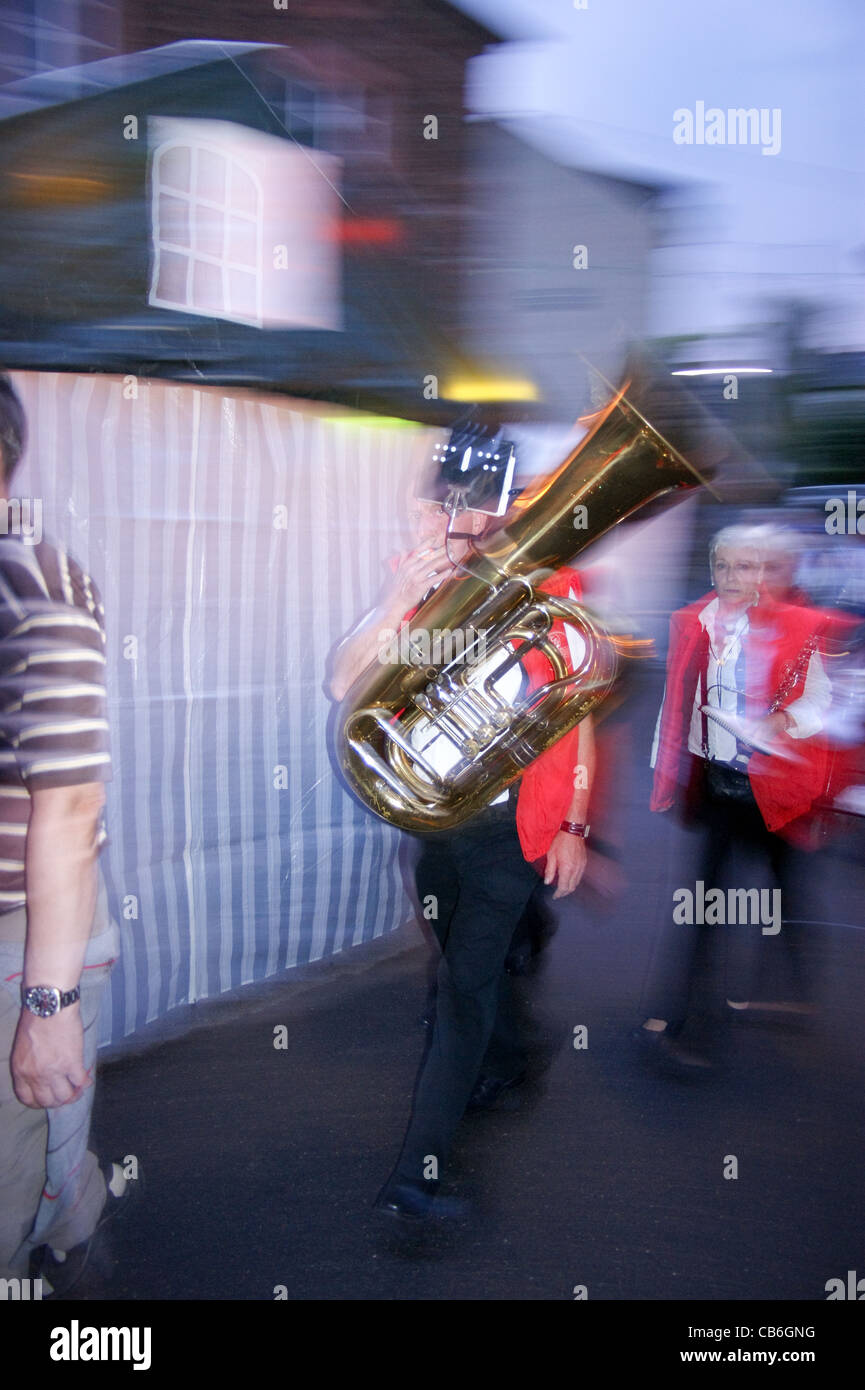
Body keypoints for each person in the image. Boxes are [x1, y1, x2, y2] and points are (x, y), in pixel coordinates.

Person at [329, 481, 595, 1219]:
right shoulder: (412, 596)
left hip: (508, 832)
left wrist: (573, 824)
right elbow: (340, 682)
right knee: (460, 967)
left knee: (463, 987)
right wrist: (395, 606)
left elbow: (577, 714)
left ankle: (419, 1174)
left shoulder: (543, 595)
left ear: (493, 516)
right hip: (436, 821)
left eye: (461, 507)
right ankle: (506, 1061)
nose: (444, 522)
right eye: (430, 506)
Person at [0, 373, 128, 1294]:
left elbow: (71, 804)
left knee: (14, 1174)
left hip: (19, 937)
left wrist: (46, 1011)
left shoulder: (36, 581)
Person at [636, 524, 830, 1066]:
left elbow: (819, 698)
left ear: (764, 573)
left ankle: (789, 990)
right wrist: (666, 766)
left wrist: (782, 720)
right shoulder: (693, 622)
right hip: (720, 790)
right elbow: (677, 694)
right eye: (724, 565)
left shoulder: (792, 628)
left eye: (746, 566)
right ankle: (687, 1021)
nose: (732, 577)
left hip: (774, 790)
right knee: (702, 907)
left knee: (785, 895)